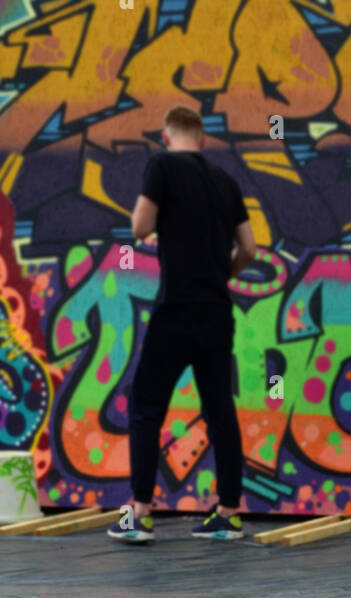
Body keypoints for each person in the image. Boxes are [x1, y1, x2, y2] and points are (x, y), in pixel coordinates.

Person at [107, 105, 256, 544]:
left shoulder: (162, 165)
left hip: (175, 308)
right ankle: (228, 514)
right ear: (204, 139)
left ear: (166, 136)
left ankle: (140, 513)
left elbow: (140, 226)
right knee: (219, 410)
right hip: (216, 310)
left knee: (147, 406)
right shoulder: (225, 181)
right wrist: (218, 274)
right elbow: (249, 247)